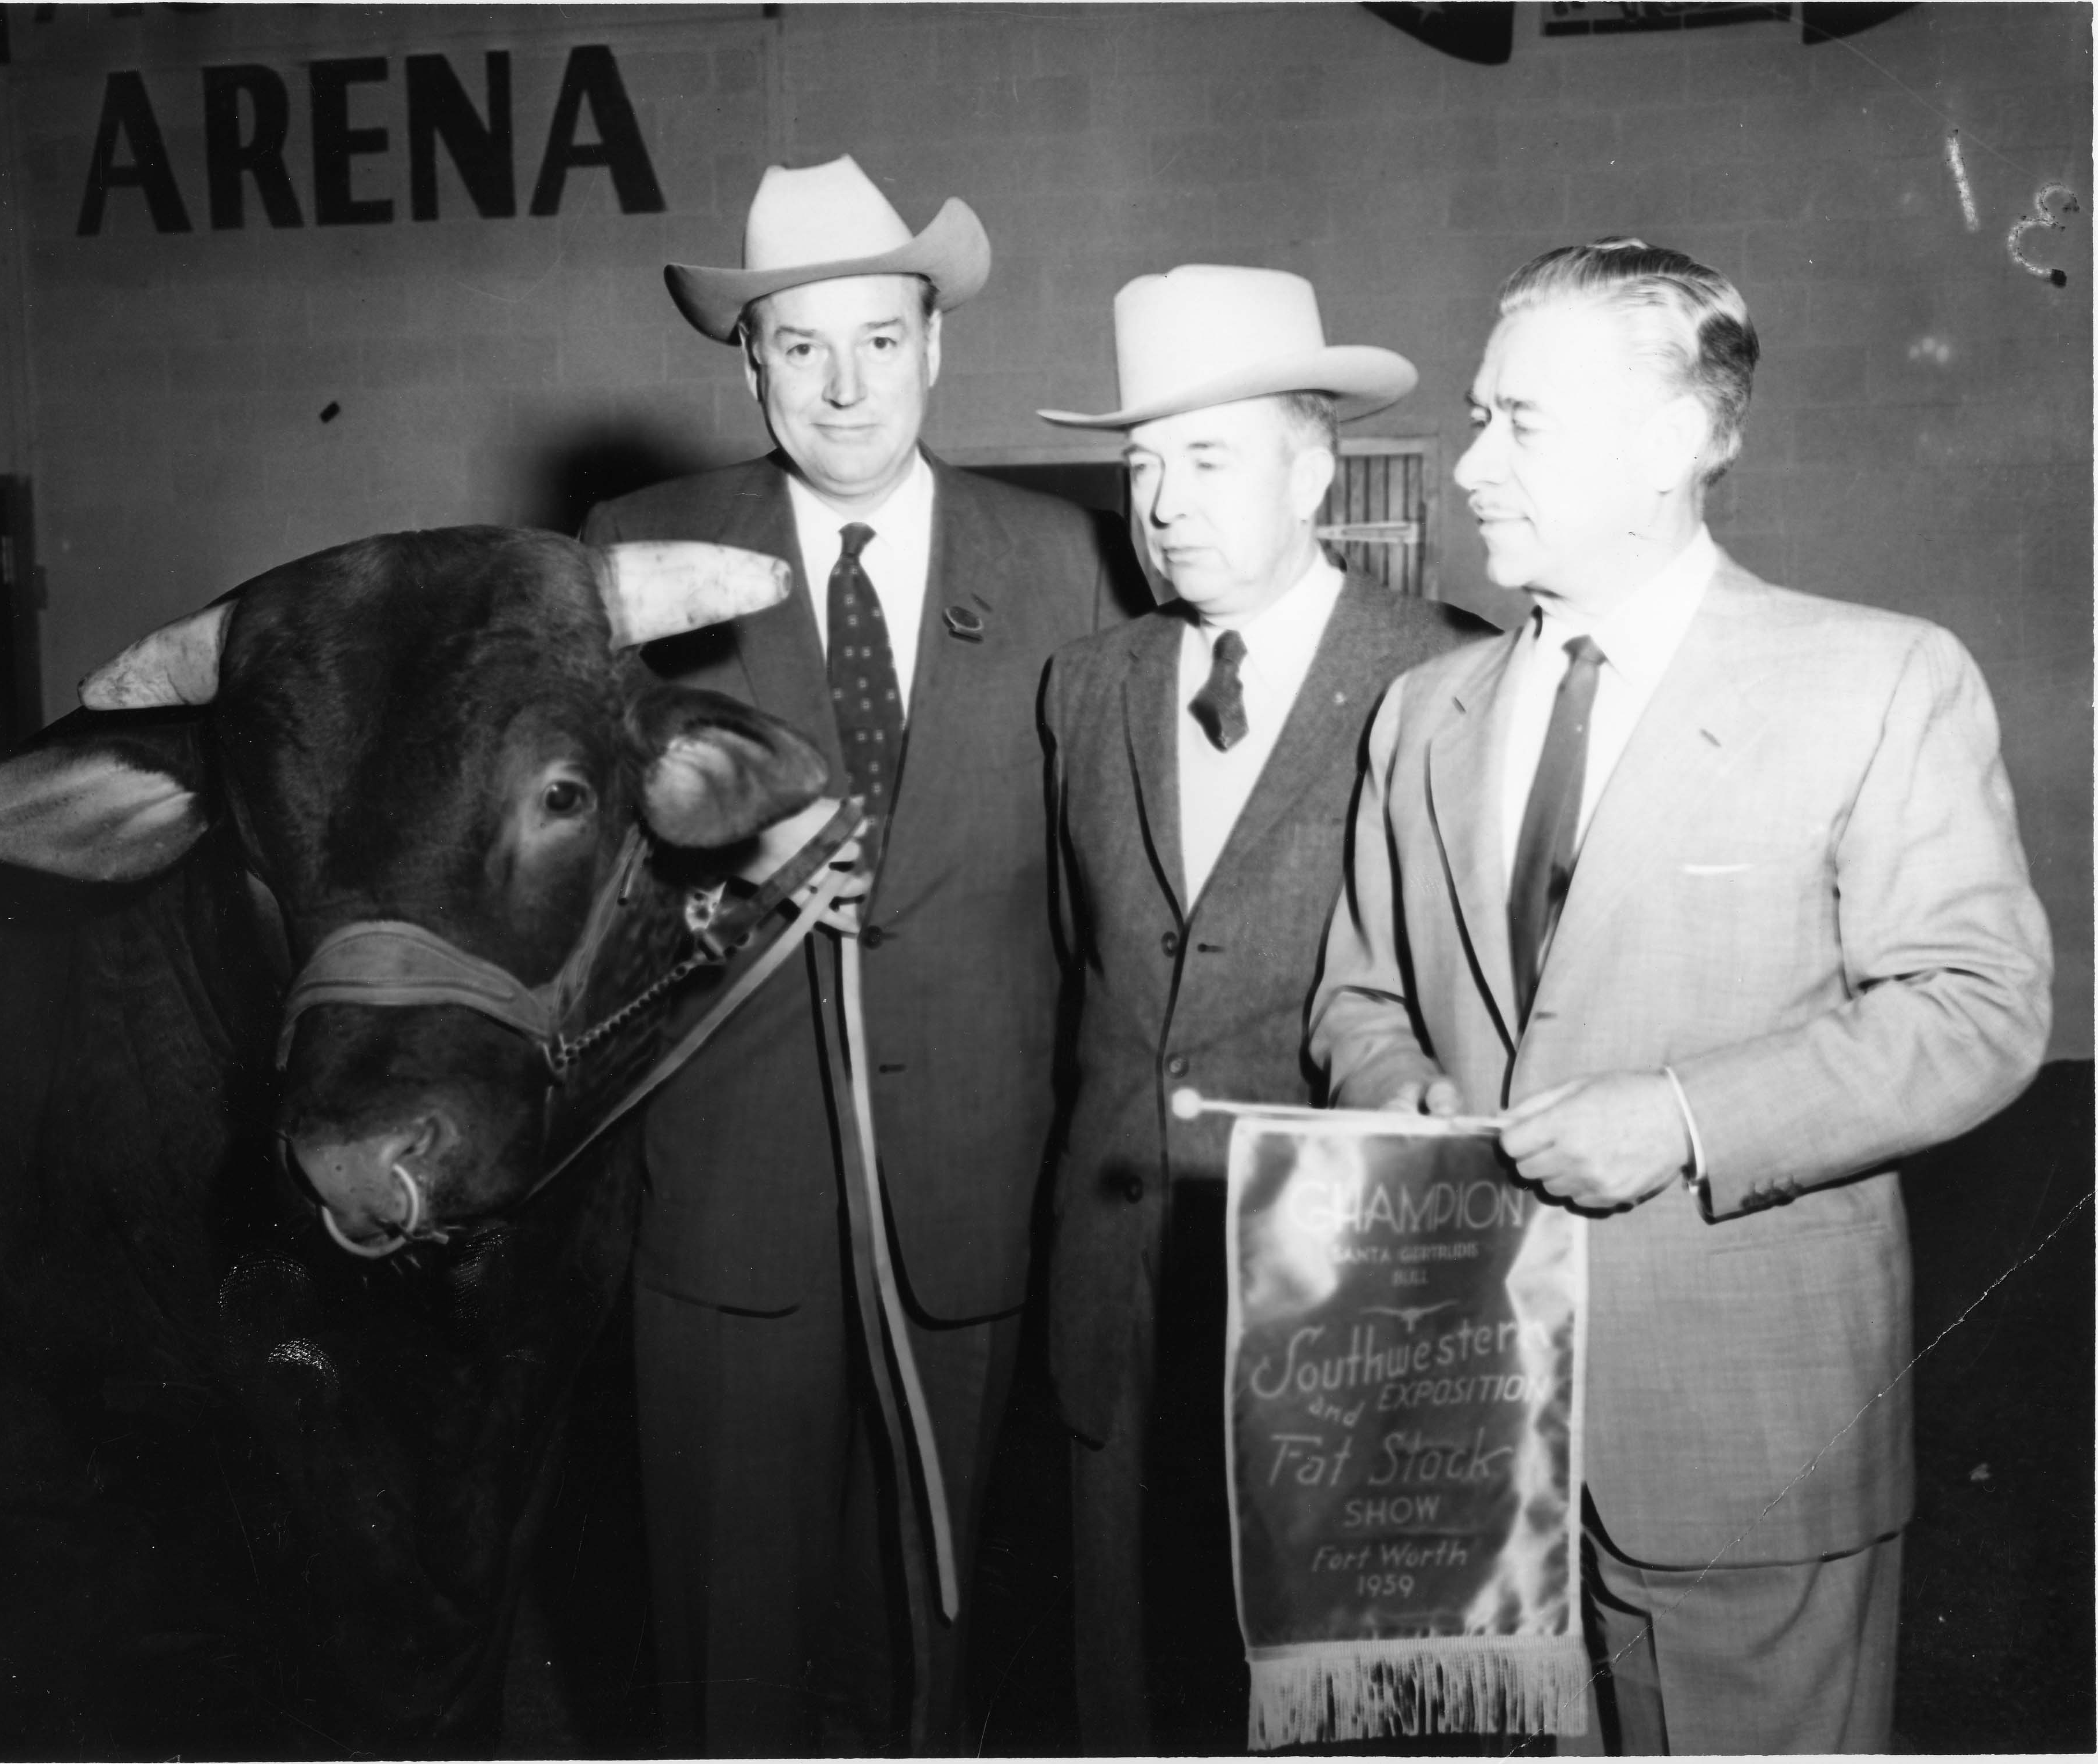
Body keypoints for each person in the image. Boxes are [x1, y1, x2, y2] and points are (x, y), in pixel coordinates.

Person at [1308, 238, 2052, 1754]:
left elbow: (1977, 1006)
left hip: (1744, 1441)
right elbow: (1356, 997)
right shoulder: (1420, 713)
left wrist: (1681, 1117)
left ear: (1665, 444)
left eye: (1517, 421)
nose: (1468, 465)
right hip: (1464, 1425)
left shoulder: (1876, 679)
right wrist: (1404, 1095)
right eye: (1477, 416)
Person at [579, 156, 1133, 1754]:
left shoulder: (1068, 558)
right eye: (800, 346)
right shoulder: (639, 549)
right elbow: (567, 869)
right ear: (748, 364)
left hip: (972, 1200)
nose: (844, 386)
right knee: (728, 1659)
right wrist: (714, 877)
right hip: (729, 1201)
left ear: (934, 347)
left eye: (880, 341)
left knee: (933, 1650)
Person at [1035, 264, 1487, 1751]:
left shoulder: (1446, 673)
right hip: (1115, 1283)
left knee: (1326, 1698)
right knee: (1119, 1689)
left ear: (1311, 471)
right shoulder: (1084, 685)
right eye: (1141, 464)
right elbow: (1083, 980)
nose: (1163, 503)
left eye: (1208, 458)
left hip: (1335, 1298)